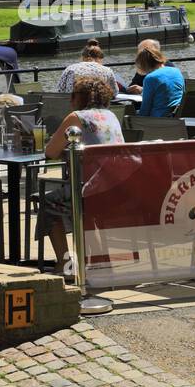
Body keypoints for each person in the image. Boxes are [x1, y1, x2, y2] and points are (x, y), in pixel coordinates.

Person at [39, 75, 124, 269]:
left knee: (48, 202)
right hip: (116, 188)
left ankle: (65, 265)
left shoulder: (77, 118)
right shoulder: (111, 116)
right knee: (78, 203)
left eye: (72, 95)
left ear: (78, 97)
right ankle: (97, 260)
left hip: (90, 191)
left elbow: (50, 152)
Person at [136, 44, 185, 117]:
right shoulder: (176, 71)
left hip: (159, 120)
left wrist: (137, 119)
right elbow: (183, 94)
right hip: (178, 116)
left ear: (144, 64)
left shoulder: (150, 78)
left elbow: (145, 108)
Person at [56, 40, 120, 93]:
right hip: (97, 104)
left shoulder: (70, 69)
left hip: (73, 104)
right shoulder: (107, 70)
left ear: (83, 57)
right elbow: (114, 92)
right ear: (99, 58)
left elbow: (60, 90)